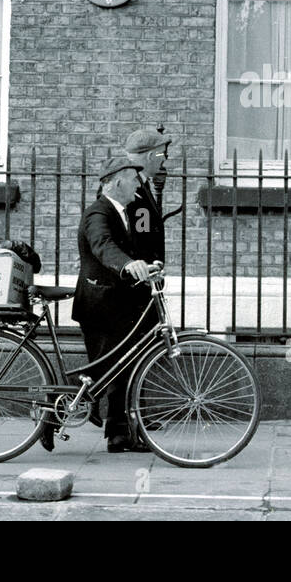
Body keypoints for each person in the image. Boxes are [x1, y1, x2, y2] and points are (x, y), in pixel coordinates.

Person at [68, 156, 159, 453]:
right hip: (100, 304)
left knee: (123, 367)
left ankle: (119, 435)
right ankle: (49, 418)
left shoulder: (123, 211)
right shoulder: (98, 213)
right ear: (118, 180)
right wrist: (128, 265)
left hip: (116, 302)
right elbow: (103, 245)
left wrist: (145, 264)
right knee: (104, 371)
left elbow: (124, 247)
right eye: (134, 179)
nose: (138, 184)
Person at [124, 126, 171, 265]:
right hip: (134, 274)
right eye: (162, 154)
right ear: (151, 156)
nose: (164, 159)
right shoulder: (126, 188)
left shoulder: (141, 183)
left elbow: (142, 229)